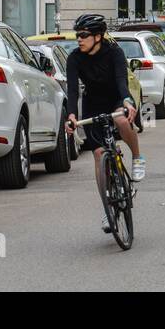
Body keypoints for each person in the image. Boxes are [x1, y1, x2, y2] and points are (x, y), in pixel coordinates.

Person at [64, 14, 145, 230]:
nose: (79, 39)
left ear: (98, 36)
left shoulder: (114, 52)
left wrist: (127, 101)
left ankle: (137, 157)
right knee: (99, 155)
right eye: (77, 35)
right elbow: (72, 91)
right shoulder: (74, 58)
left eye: (84, 35)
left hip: (117, 99)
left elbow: (121, 80)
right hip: (93, 104)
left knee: (120, 120)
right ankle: (108, 208)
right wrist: (71, 115)